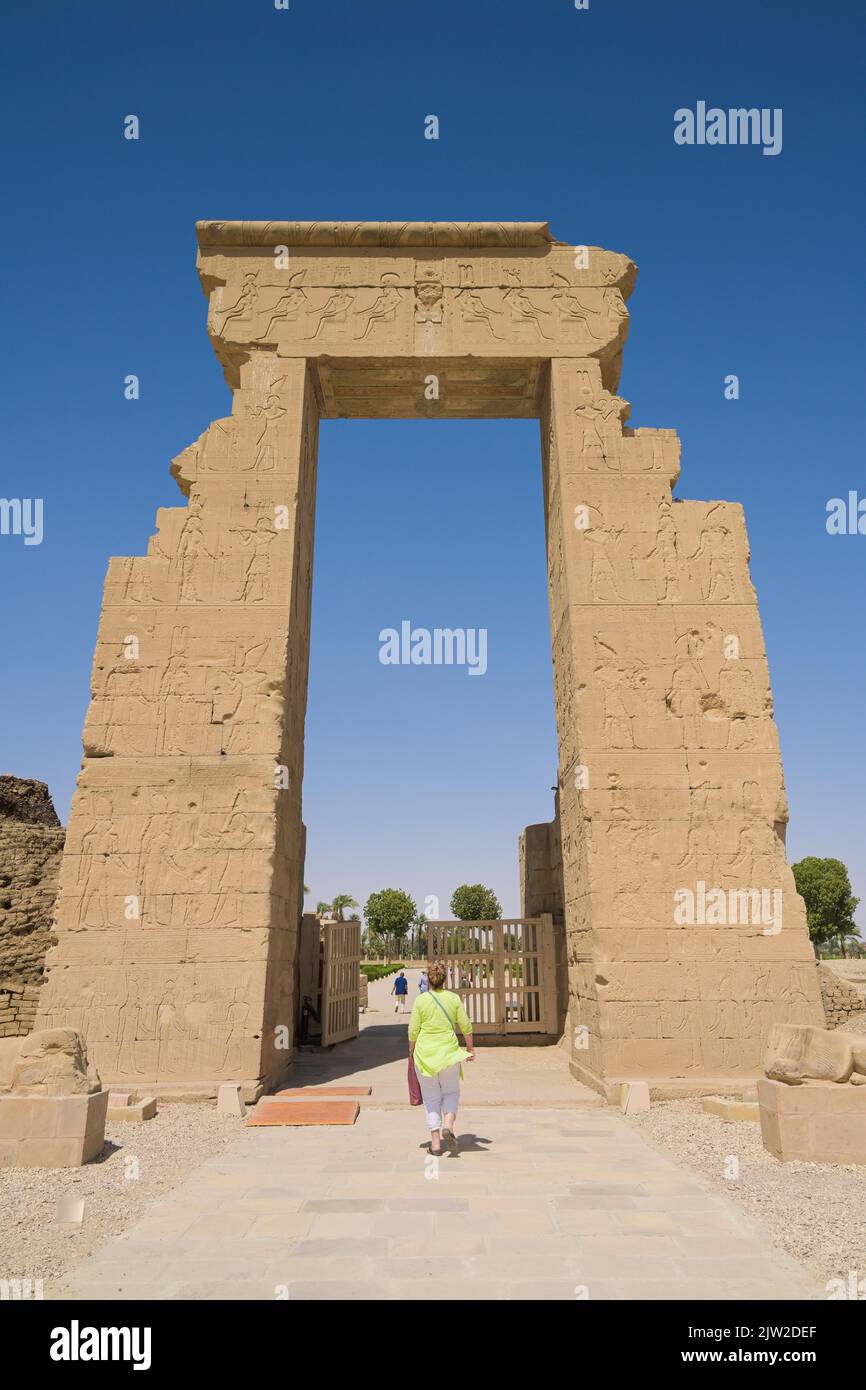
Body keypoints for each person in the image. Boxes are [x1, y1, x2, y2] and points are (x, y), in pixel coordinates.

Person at [408, 961, 474, 1156]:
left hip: (425, 1055)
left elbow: (413, 1030)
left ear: (428, 979)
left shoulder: (421, 1001)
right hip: (448, 1054)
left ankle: (435, 1143)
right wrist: (470, 1048)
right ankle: (449, 1125)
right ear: (445, 979)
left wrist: (411, 1051)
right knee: (451, 1092)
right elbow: (465, 1025)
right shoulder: (453, 999)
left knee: (431, 1098)